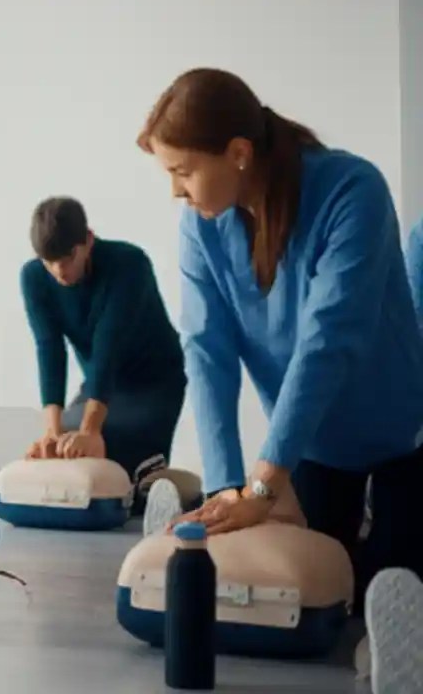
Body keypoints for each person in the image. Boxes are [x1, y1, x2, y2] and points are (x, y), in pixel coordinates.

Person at [138, 68, 423, 609]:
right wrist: (227, 488)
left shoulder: (352, 189)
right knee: (311, 592)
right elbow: (206, 351)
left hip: (396, 430)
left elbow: (328, 337)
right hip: (312, 441)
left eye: (183, 171)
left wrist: (266, 481)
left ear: (238, 153)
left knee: (393, 587)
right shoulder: (201, 224)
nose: (175, 189)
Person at [19, 196, 186, 489]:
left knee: (110, 457)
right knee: (60, 452)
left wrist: (91, 430)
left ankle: (170, 487)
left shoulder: (129, 264)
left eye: (68, 258)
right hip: (98, 386)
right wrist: (52, 432)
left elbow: (108, 343)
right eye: (49, 262)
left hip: (155, 385)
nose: (60, 272)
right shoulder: (34, 277)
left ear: (88, 240)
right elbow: (49, 349)